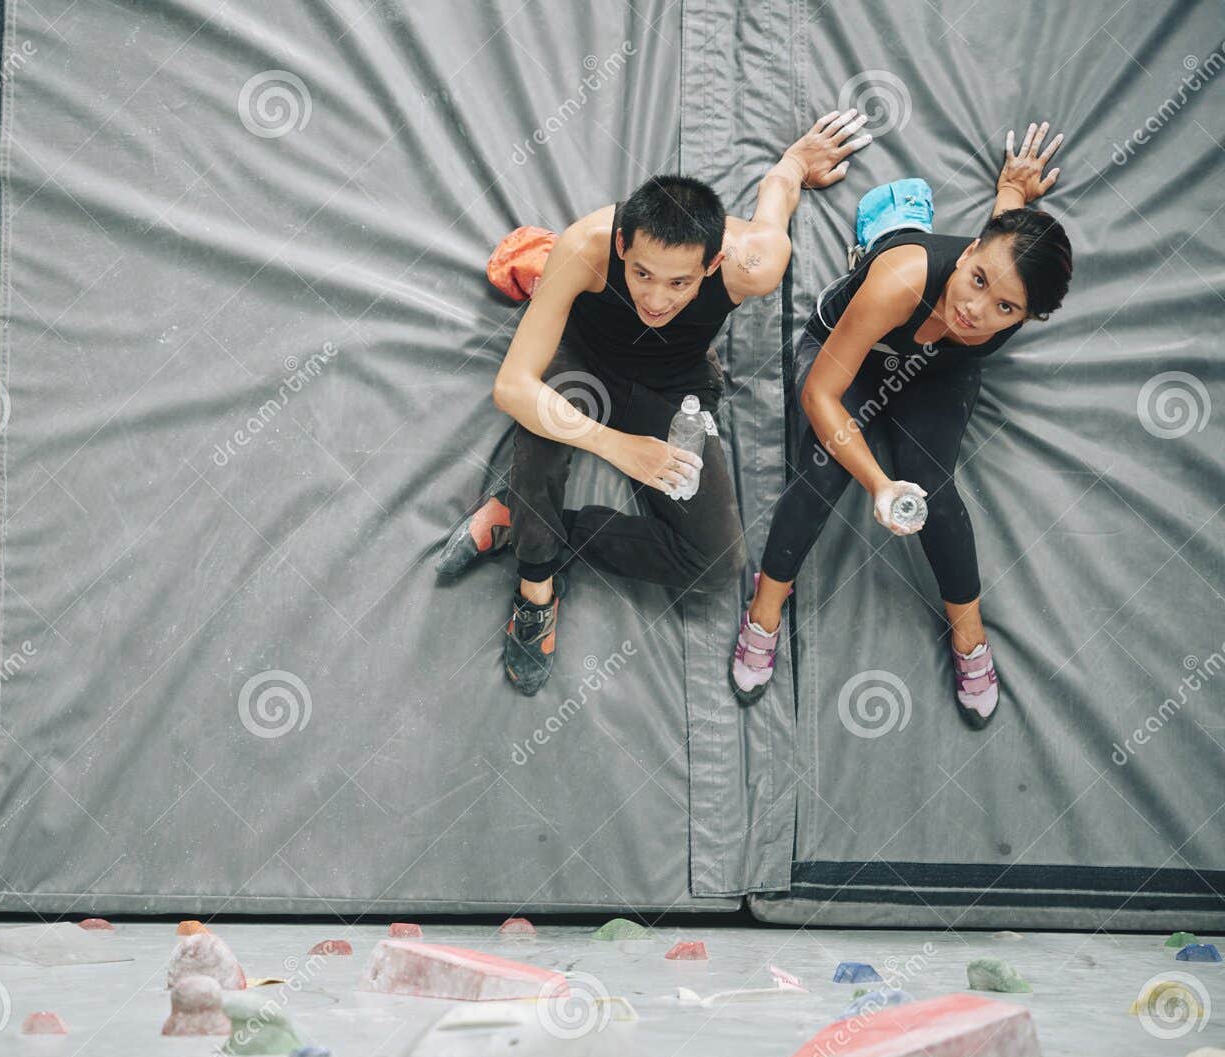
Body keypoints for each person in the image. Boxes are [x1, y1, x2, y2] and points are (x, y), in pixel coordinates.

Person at [437, 111, 873, 695]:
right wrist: (619, 449)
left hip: (673, 386)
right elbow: (512, 385)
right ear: (622, 244)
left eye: (678, 283)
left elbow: (776, 202)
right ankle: (536, 585)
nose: (655, 297)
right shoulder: (586, 244)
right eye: (641, 273)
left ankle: (519, 517)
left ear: (713, 265)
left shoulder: (756, 264)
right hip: (583, 359)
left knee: (715, 564)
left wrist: (794, 163)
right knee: (540, 418)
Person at [729, 122, 1073, 729]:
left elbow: (1004, 250)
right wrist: (878, 485)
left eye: (1006, 309)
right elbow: (820, 395)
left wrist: (1013, 194)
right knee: (822, 474)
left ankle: (970, 639)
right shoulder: (904, 281)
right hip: (854, 354)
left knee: (936, 491)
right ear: (965, 252)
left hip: (938, 372)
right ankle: (764, 610)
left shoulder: (1002, 287)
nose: (975, 309)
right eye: (978, 280)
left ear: (1029, 317)